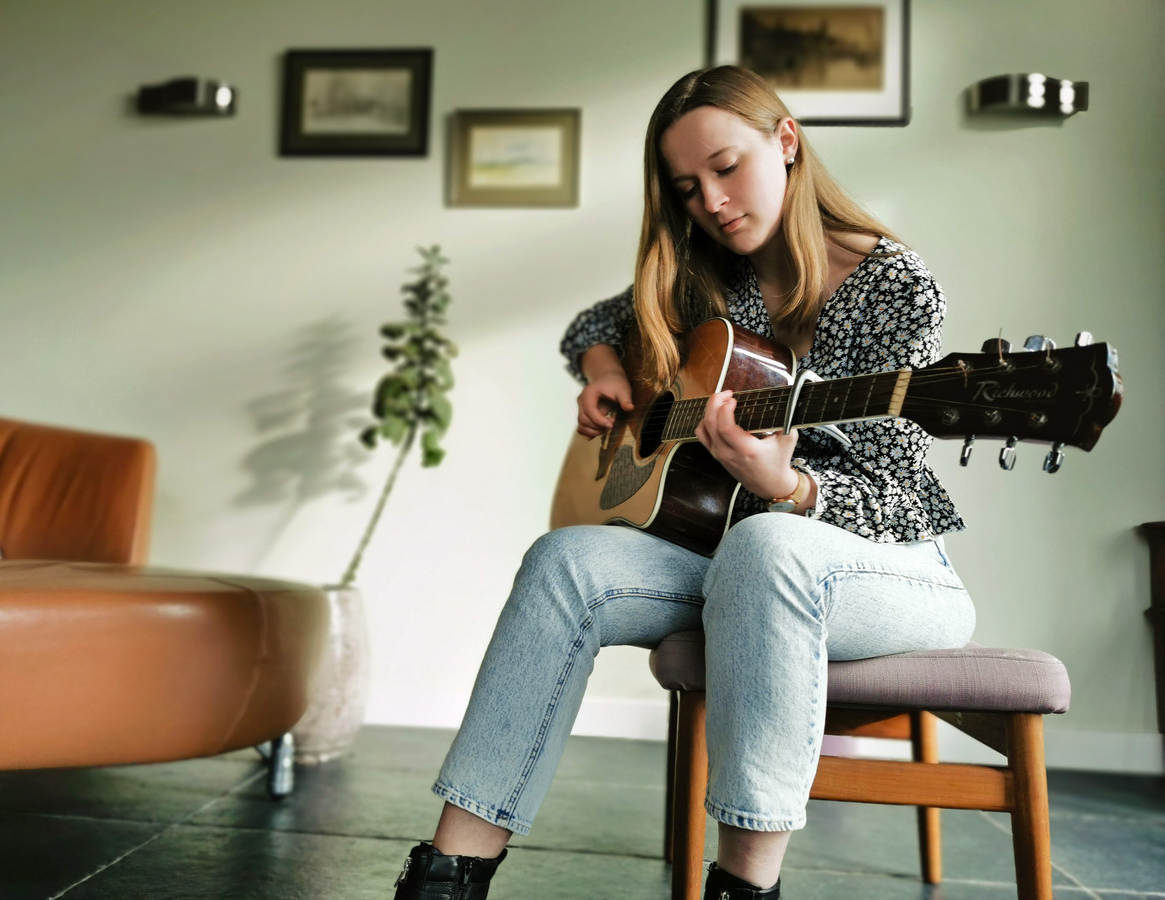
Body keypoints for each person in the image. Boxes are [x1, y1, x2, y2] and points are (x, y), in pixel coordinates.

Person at [392, 65, 975, 900]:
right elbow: (594, 324)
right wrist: (604, 373)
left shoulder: (894, 287)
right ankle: (447, 876)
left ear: (786, 141)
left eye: (727, 168)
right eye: (687, 188)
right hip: (737, 562)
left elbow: (894, 490)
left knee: (772, 541)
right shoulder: (711, 275)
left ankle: (743, 888)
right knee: (566, 561)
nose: (712, 201)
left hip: (888, 570)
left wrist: (789, 485)